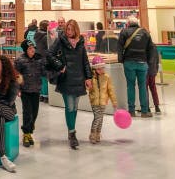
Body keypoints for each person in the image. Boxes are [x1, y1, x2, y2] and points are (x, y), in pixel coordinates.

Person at [48, 19, 92, 149]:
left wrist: (88, 77)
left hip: (79, 79)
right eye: (67, 29)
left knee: (75, 107)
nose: (69, 32)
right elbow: (50, 54)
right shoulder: (60, 41)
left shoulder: (80, 43)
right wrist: (60, 66)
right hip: (66, 79)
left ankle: (71, 130)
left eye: (71, 30)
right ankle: (72, 134)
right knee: (70, 106)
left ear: (76, 30)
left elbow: (85, 62)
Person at [117, 16, 156, 118]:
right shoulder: (145, 32)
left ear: (128, 23)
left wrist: (120, 60)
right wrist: (149, 61)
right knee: (142, 86)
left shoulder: (124, 32)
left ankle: (131, 111)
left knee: (130, 86)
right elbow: (151, 48)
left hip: (129, 62)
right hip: (142, 63)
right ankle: (144, 111)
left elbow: (119, 46)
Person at [14, 40, 45, 148]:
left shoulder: (38, 59)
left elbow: (44, 72)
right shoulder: (20, 61)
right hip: (25, 90)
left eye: (33, 48)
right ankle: (26, 134)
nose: (32, 50)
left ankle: (30, 132)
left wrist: (57, 71)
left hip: (36, 90)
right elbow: (16, 75)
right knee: (27, 113)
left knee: (35, 113)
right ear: (25, 50)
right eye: (30, 48)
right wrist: (17, 88)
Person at [87, 56, 117, 143]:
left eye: (102, 68)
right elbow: (88, 88)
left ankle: (98, 134)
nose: (101, 70)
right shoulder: (92, 78)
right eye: (98, 69)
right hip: (95, 102)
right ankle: (92, 134)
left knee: (101, 119)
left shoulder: (107, 77)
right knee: (97, 118)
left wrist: (114, 101)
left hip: (103, 102)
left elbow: (110, 90)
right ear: (94, 69)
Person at [35, 20, 50, 103]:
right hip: (44, 58)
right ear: (46, 27)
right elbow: (50, 46)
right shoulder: (45, 36)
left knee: (40, 78)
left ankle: (41, 95)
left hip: (38, 57)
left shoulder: (36, 35)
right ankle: (46, 96)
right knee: (45, 79)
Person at [147, 42, 161, 114]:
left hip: (146, 70)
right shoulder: (154, 46)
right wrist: (156, 69)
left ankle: (147, 107)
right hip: (153, 70)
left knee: (144, 89)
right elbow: (157, 59)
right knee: (153, 88)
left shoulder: (144, 46)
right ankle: (157, 106)